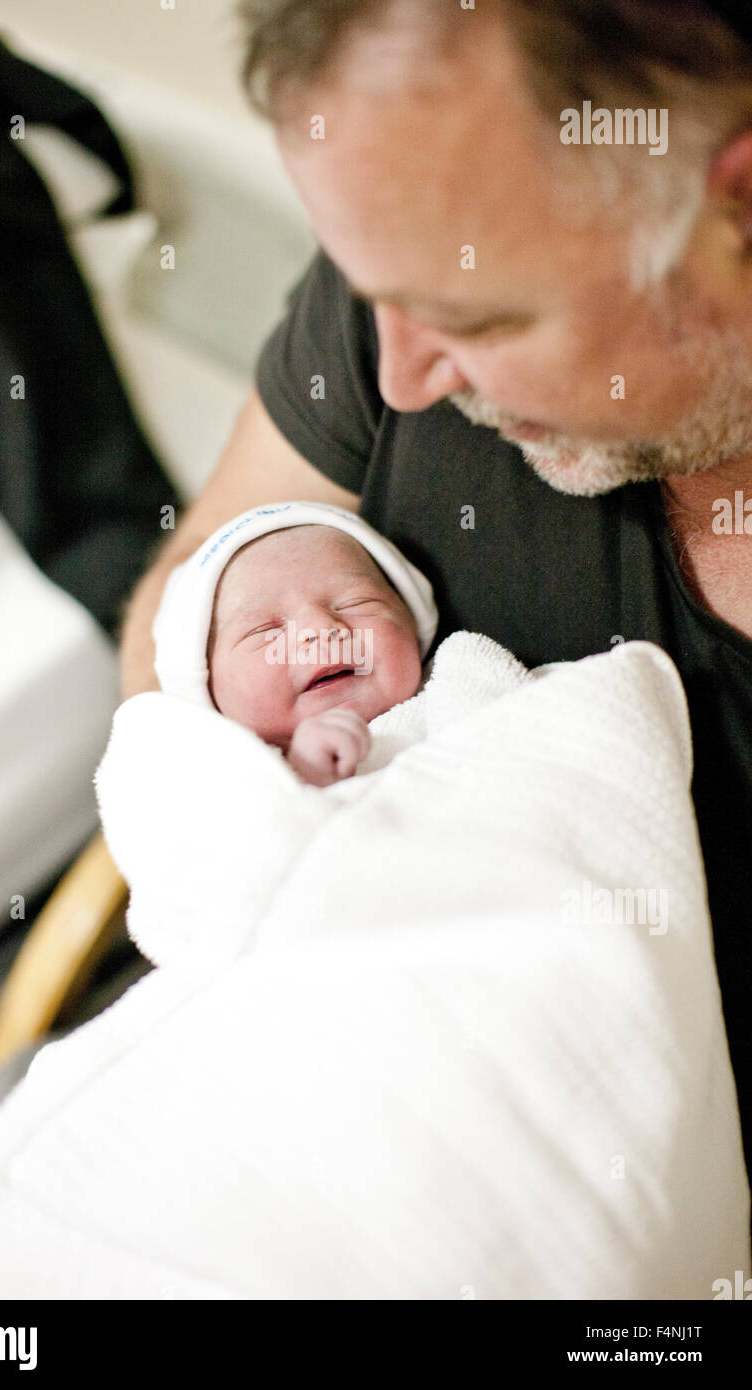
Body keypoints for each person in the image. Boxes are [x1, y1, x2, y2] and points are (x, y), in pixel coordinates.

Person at [119, 1, 752, 1191]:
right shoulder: (407, 279)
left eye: (476, 319)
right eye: (375, 296)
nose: (399, 374)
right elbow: (190, 590)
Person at [152, 501, 439, 785]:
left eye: (355, 602)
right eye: (264, 629)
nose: (318, 629)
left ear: (412, 618)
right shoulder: (222, 781)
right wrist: (309, 776)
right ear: (207, 687)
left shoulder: (461, 681)